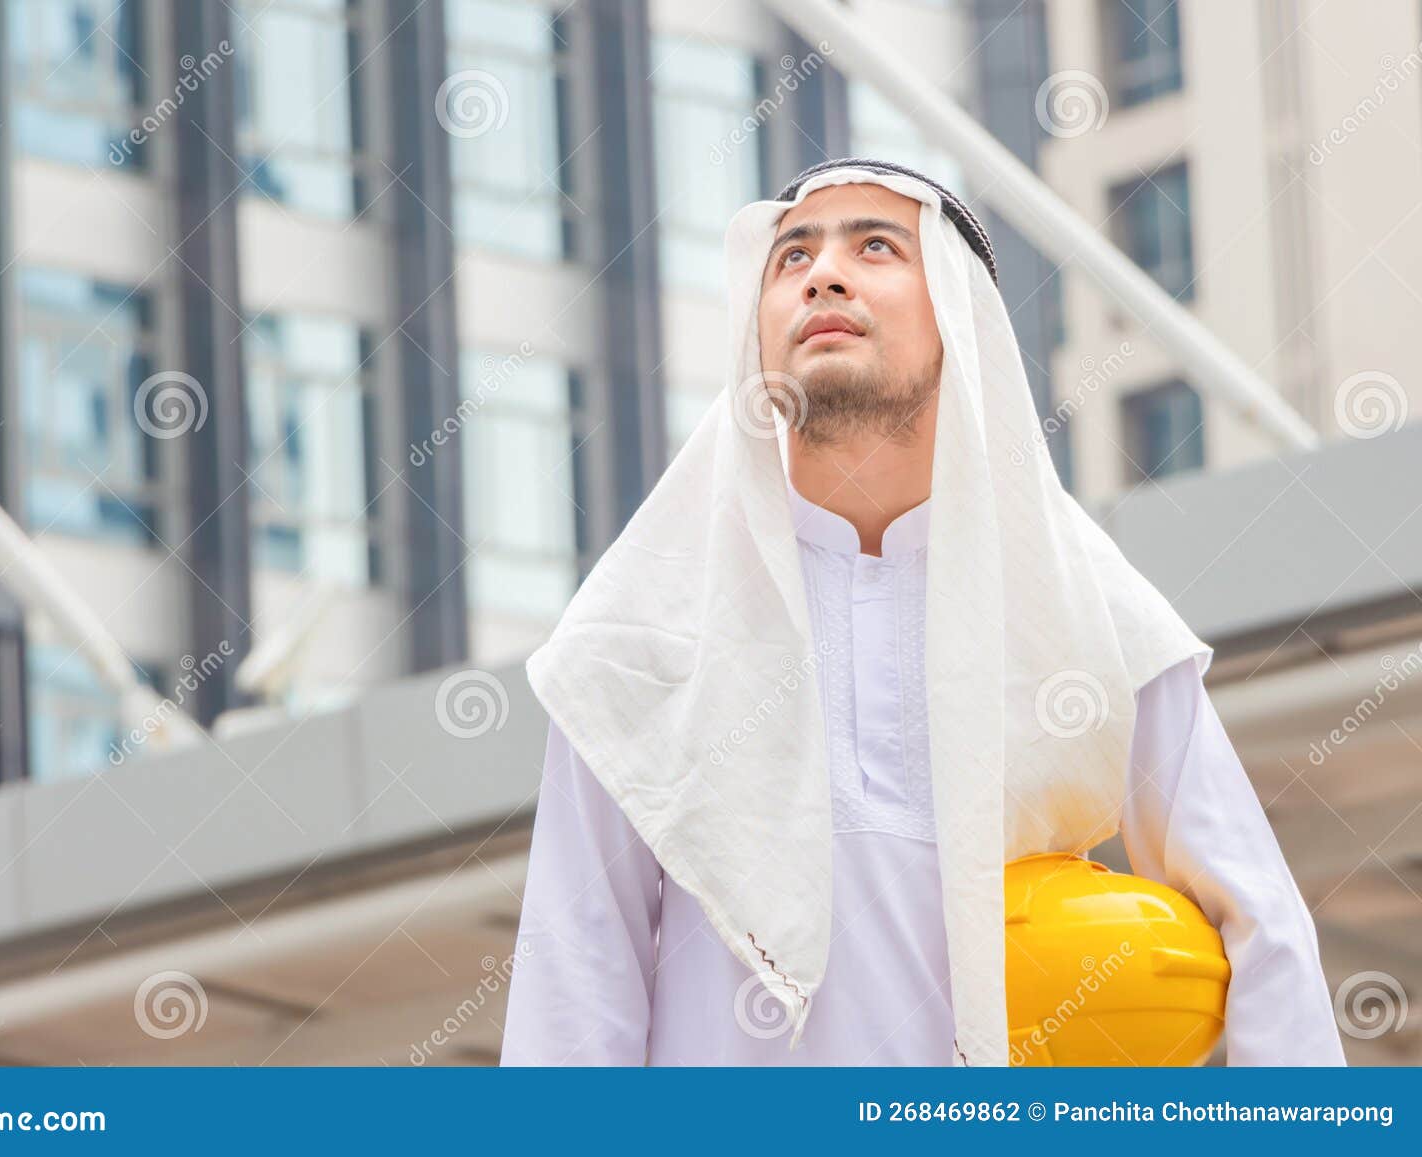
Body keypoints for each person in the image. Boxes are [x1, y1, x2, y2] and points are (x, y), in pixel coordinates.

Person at [499, 159, 1346, 1067]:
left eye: (875, 246)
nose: (823, 272)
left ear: (958, 314)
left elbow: (1260, 925)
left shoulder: (1088, 606)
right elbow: (574, 979)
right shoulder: (644, 630)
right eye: (791, 255)